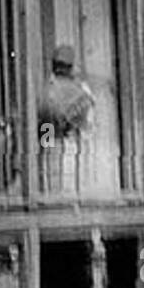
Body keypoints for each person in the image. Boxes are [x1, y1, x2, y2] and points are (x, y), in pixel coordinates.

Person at [37, 44, 95, 193]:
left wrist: (46, 146)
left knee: (54, 185)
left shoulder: (48, 89)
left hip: (57, 143)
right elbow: (87, 125)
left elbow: (45, 120)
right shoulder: (80, 89)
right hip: (70, 143)